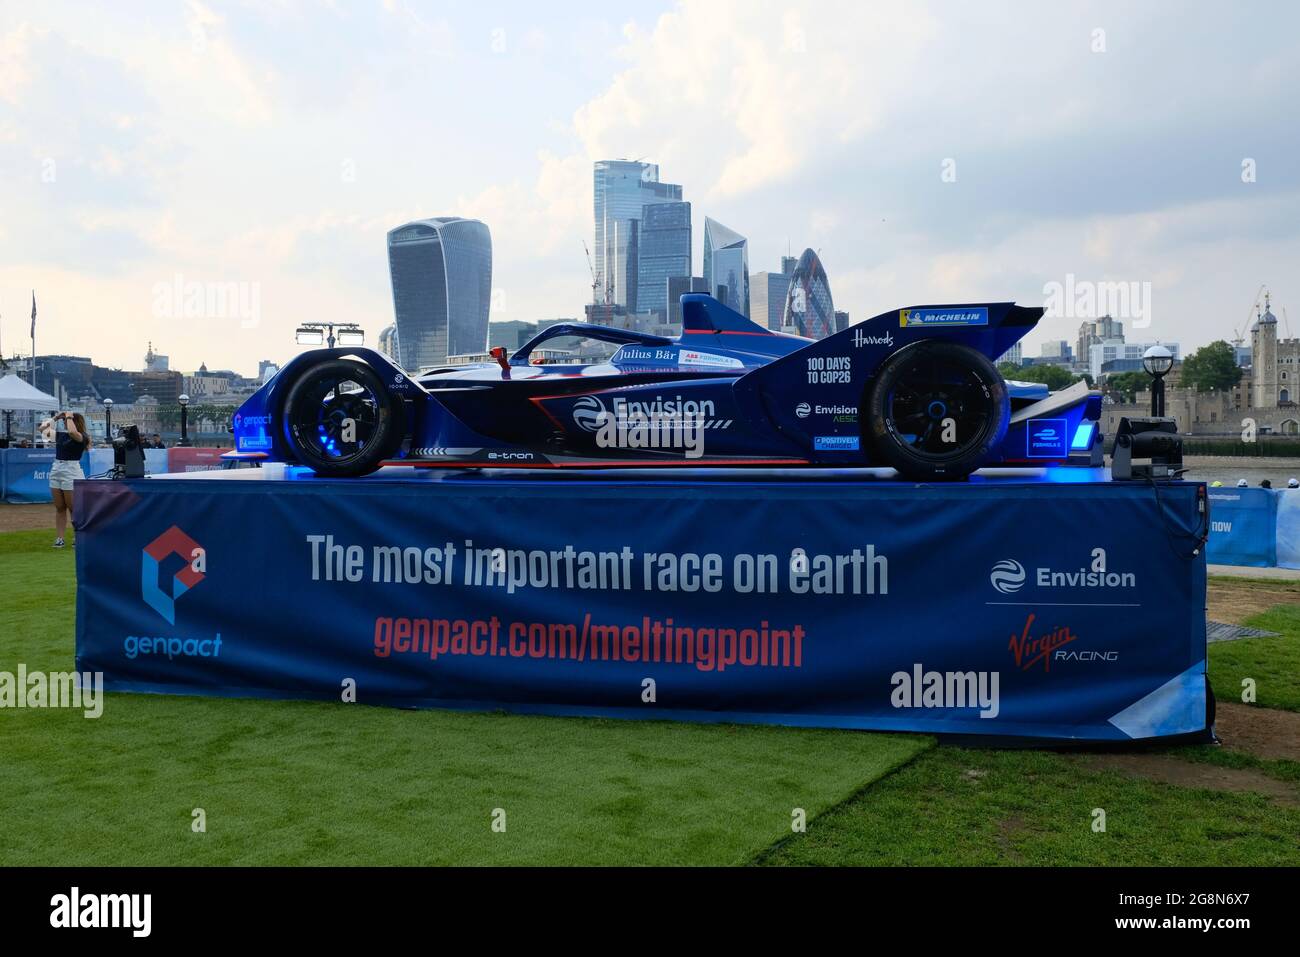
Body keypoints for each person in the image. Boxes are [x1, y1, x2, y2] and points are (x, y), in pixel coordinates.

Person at [49, 411, 90, 548]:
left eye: (67, 421)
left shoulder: (81, 436)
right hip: (57, 469)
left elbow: (73, 432)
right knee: (60, 507)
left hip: (71, 471)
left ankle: (78, 536)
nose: (65, 423)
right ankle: (60, 538)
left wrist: (69, 416)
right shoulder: (61, 435)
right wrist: (56, 418)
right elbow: (43, 430)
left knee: (74, 508)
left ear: (74, 421)